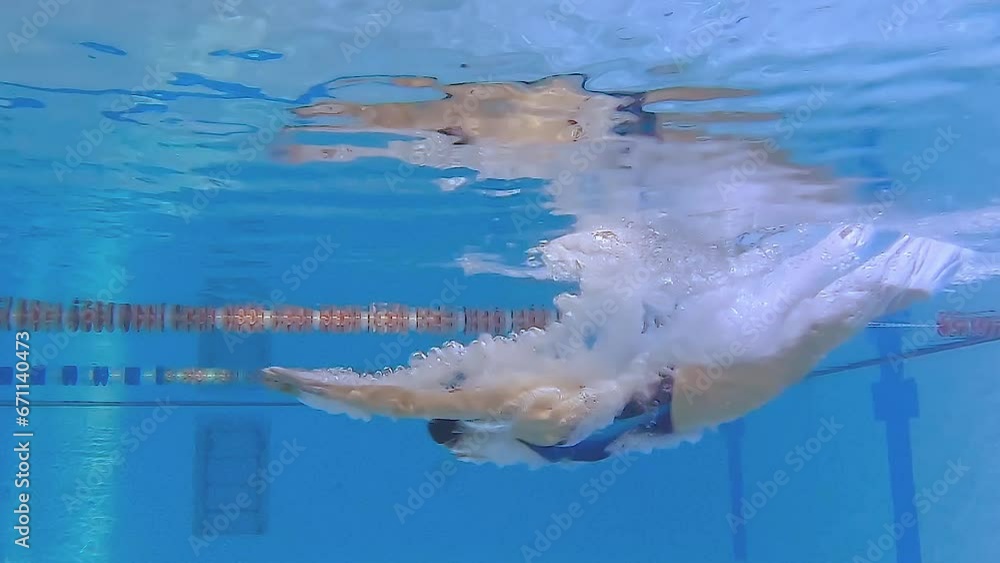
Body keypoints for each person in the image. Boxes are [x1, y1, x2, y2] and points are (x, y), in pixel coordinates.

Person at [263, 223, 973, 466]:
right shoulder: (518, 406)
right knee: (836, 291)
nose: (478, 355)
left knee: (841, 295)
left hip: (708, 376)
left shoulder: (533, 434)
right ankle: (952, 244)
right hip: (707, 371)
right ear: (461, 396)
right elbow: (395, 401)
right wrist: (317, 386)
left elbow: (409, 404)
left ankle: (948, 247)